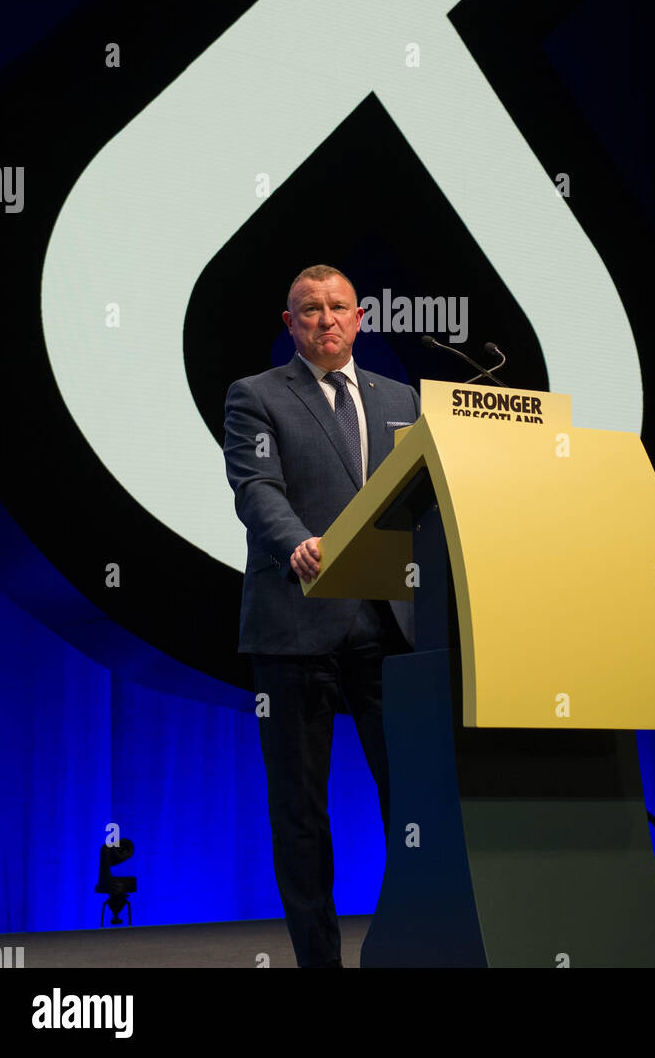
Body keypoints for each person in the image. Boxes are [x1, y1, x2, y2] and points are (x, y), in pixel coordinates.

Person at [223, 264, 420, 968]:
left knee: (413, 807)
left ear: (361, 317)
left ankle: (415, 944)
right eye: (309, 310)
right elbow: (256, 487)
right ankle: (318, 963)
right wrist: (295, 542)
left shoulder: (403, 399)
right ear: (290, 324)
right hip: (294, 627)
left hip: (388, 629)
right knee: (302, 815)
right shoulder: (255, 396)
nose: (325, 320)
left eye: (338, 307)